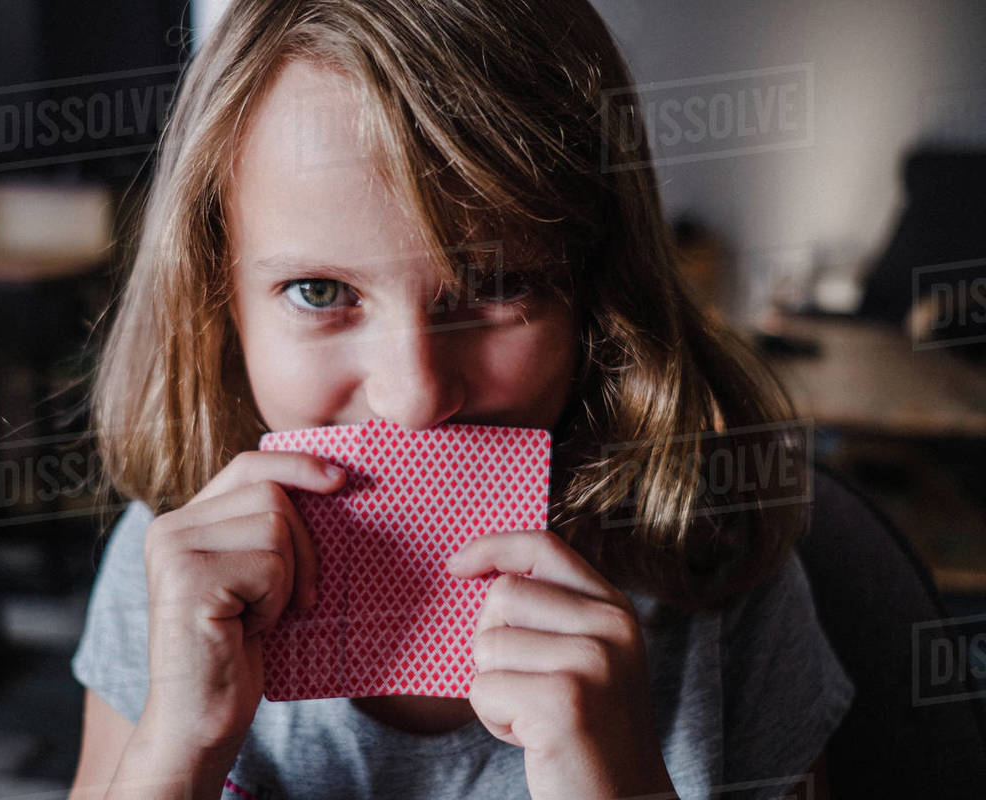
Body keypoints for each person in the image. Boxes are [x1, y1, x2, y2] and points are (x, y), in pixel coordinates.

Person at [68, 1, 854, 798]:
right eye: (318, 290)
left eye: (498, 286)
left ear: (597, 291)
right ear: (218, 299)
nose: (412, 400)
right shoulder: (170, 568)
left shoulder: (723, 585)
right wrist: (178, 745)